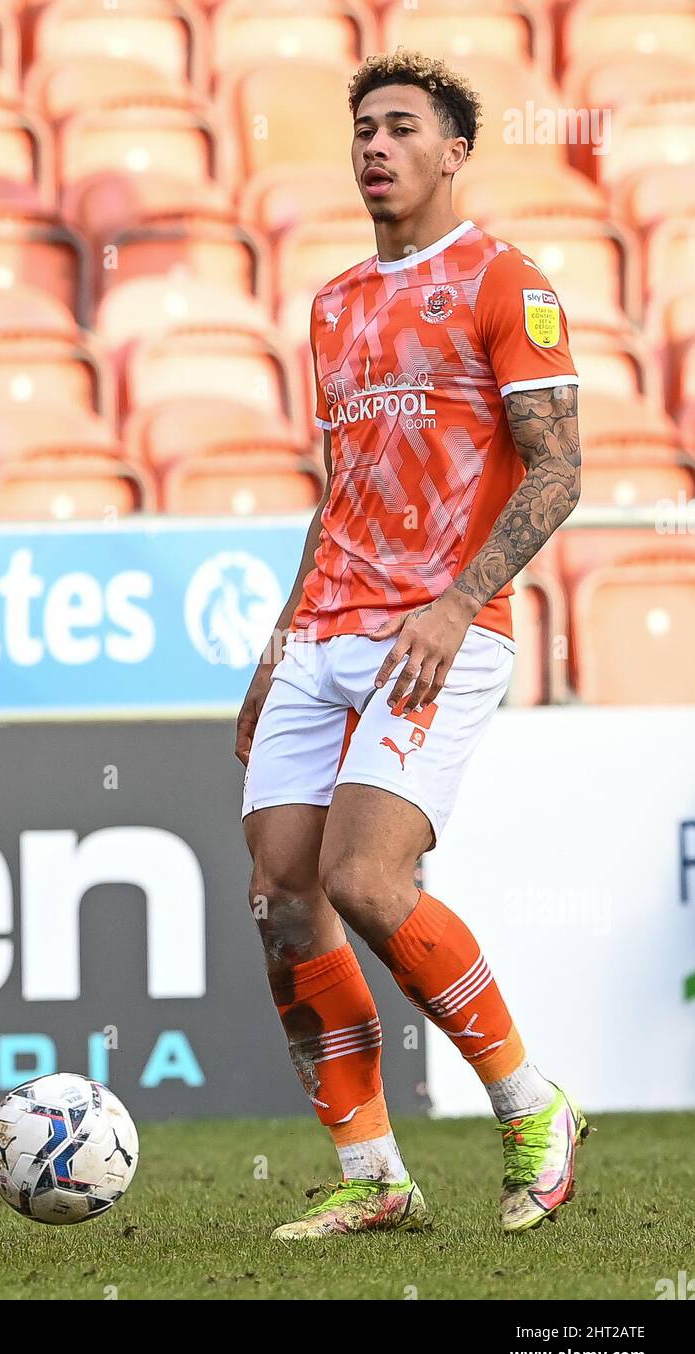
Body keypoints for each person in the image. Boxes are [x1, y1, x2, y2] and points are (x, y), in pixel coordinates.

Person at [236, 49, 588, 1240]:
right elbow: (340, 491)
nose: (374, 147)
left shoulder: (504, 278)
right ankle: (373, 1172)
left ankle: (529, 1103)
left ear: (453, 152)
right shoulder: (334, 304)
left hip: (436, 631)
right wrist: (277, 641)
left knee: (363, 879)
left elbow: (558, 469)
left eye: (399, 128)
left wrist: (453, 601)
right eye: (361, 130)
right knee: (284, 899)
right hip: (324, 630)